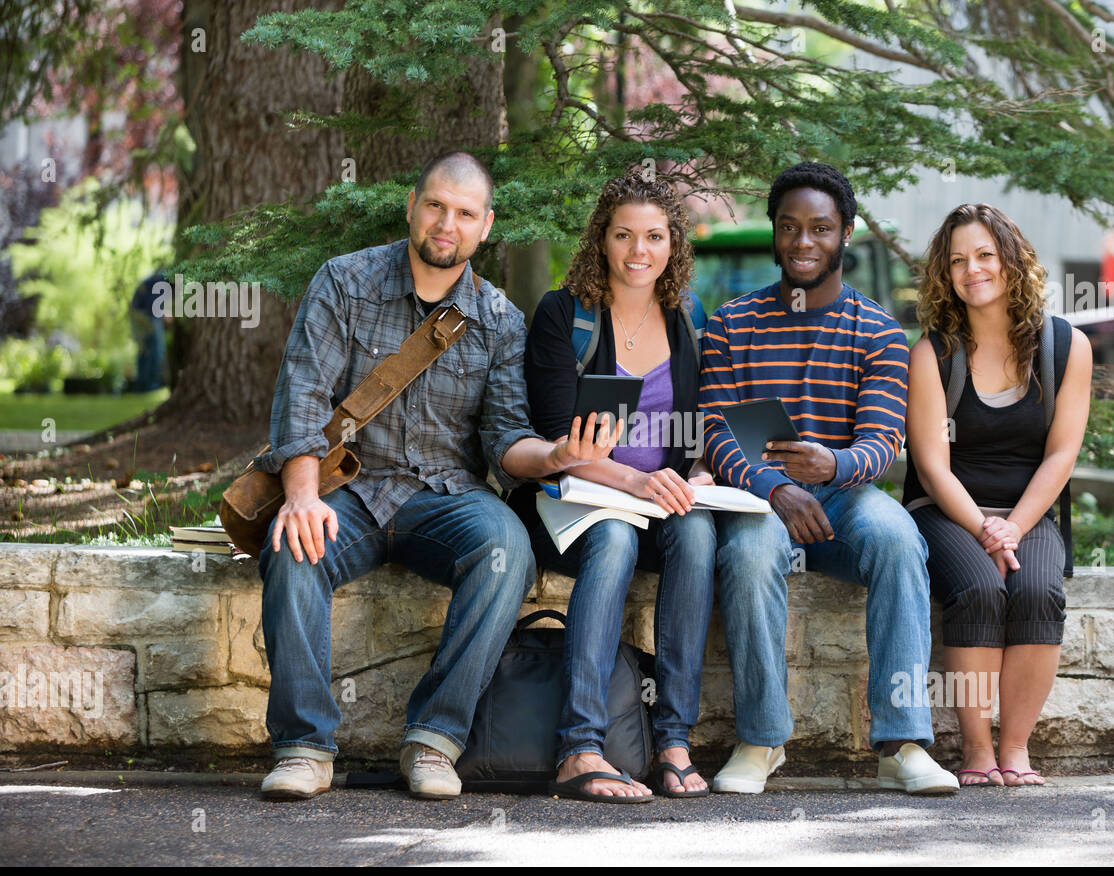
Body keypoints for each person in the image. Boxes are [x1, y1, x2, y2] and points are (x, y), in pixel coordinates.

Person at [254, 151, 621, 801]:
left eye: (464, 213)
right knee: (292, 544)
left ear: (485, 227)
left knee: (505, 546)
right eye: (436, 206)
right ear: (412, 208)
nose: (446, 223)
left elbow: (505, 436)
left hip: (442, 499)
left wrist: (557, 456)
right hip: (349, 491)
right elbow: (303, 398)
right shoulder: (344, 282)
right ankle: (304, 747)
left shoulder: (498, 319)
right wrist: (302, 496)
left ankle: (433, 741)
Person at [699, 161, 958, 795]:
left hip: (845, 499)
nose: (803, 242)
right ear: (774, 233)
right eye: (789, 227)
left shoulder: (877, 332)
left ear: (844, 232)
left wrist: (833, 466)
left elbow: (881, 442)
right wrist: (777, 489)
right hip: (764, 501)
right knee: (751, 554)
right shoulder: (731, 324)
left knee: (898, 538)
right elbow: (716, 433)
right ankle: (762, 740)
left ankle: (901, 745)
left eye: (820, 227)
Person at [519, 172, 716, 802]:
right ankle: (581, 747)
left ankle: (674, 741)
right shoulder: (565, 314)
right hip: (573, 503)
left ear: (673, 245)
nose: (639, 251)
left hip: (653, 498)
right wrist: (631, 479)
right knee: (614, 539)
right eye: (624, 235)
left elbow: (691, 428)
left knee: (697, 531)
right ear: (601, 240)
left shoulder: (687, 316)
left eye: (654, 237)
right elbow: (556, 439)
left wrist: (700, 471)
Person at [903, 202, 1092, 786]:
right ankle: (978, 751)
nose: (973, 269)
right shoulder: (932, 354)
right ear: (945, 274)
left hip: (1028, 512)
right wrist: (986, 528)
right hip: (948, 512)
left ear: (1012, 261)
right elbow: (932, 467)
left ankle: (1016, 748)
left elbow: (1061, 454)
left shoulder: (1066, 347)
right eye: (958, 260)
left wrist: (1013, 525)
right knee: (982, 589)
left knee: (1037, 590)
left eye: (985, 254)